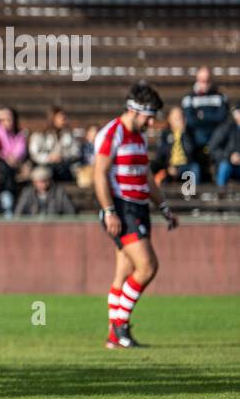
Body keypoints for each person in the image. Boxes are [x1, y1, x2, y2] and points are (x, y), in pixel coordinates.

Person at [94, 83, 179, 349]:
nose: (152, 122)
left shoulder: (139, 137)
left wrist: (163, 207)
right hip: (122, 209)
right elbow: (98, 174)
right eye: (149, 115)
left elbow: (146, 178)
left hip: (139, 208)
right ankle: (120, 326)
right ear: (134, 110)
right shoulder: (113, 132)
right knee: (148, 266)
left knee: (124, 274)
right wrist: (109, 211)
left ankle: (114, 336)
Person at [181, 66, 228, 179]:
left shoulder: (220, 96)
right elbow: (191, 121)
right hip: (196, 140)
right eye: (202, 81)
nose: (205, 84)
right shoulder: (189, 98)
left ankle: (219, 186)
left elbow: (221, 117)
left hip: (216, 141)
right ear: (197, 80)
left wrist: (202, 116)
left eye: (208, 81)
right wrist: (211, 118)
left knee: (224, 130)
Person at [28, 106, 81, 182]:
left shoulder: (69, 134)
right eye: (61, 118)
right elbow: (34, 154)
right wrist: (49, 157)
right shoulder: (39, 135)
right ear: (53, 119)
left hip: (64, 166)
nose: (64, 120)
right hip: (44, 166)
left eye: (65, 118)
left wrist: (62, 156)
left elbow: (76, 152)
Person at [152, 106, 200, 187]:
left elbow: (190, 151)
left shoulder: (189, 133)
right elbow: (161, 153)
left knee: (195, 168)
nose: (179, 120)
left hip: (186, 165)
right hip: (169, 166)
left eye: (181, 117)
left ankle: (192, 195)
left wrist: (184, 132)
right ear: (170, 119)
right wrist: (169, 167)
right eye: (176, 118)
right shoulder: (165, 134)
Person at [209, 106, 240, 188]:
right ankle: (220, 193)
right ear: (235, 114)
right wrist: (230, 157)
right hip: (228, 165)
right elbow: (213, 148)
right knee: (224, 166)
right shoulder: (226, 127)